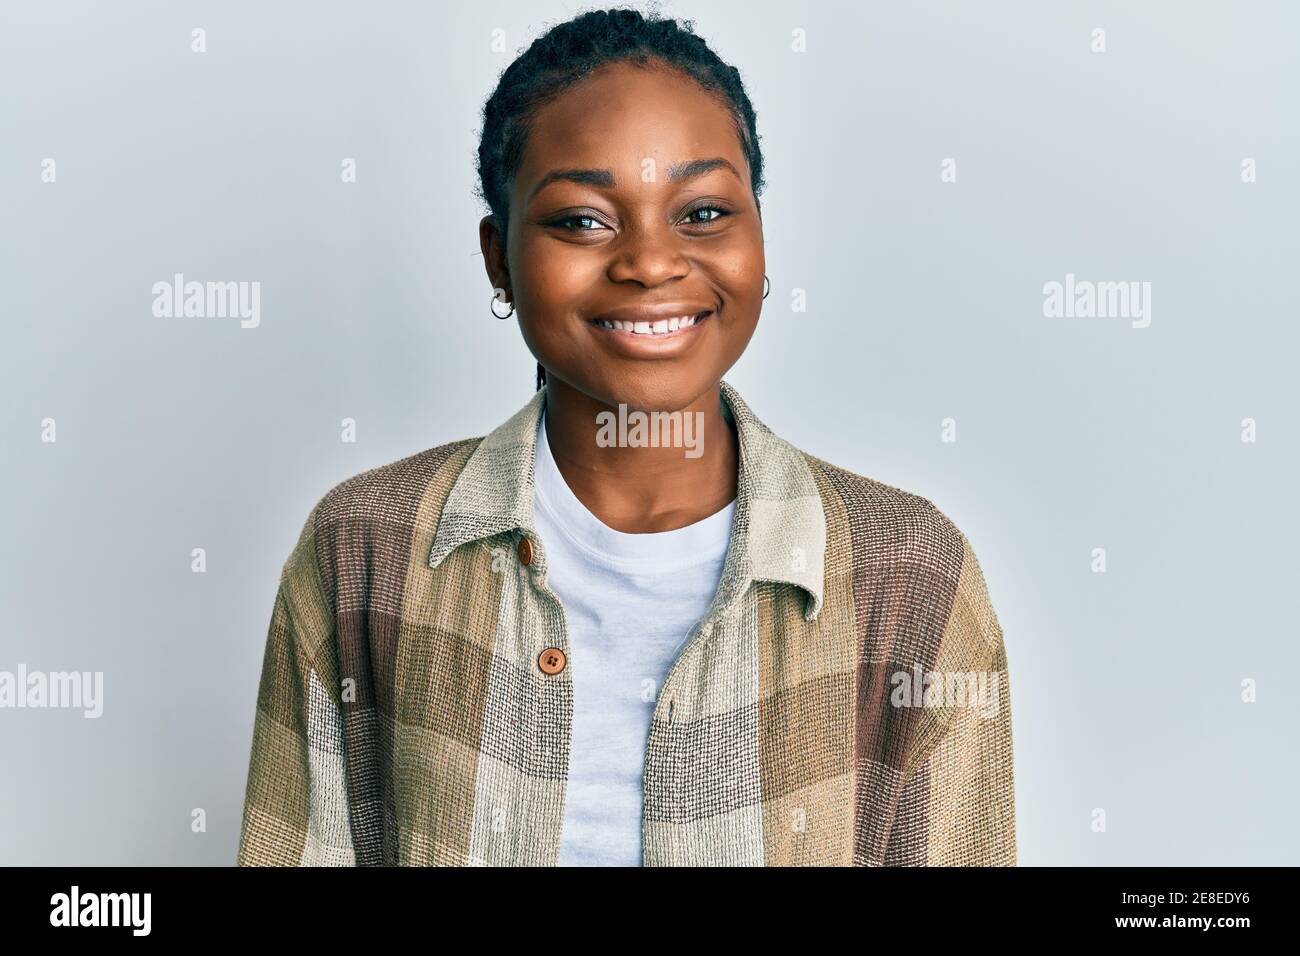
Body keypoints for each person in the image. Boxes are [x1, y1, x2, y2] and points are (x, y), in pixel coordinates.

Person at [237, 6, 1015, 867]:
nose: (650, 262)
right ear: (499, 257)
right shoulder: (364, 547)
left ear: (760, 237)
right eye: (582, 220)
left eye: (704, 211)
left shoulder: (911, 576)